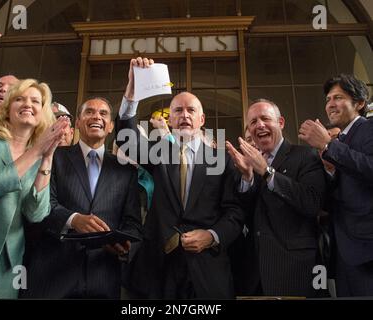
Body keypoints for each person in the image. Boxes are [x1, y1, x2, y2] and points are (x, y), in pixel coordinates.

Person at [116, 57, 245, 299]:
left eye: (191, 110)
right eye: (178, 110)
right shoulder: (158, 152)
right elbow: (127, 140)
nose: (184, 115)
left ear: (202, 119)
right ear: (170, 119)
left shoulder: (223, 159)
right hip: (158, 271)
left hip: (208, 271)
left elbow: (234, 213)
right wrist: (132, 93)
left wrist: (211, 236)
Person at [22, 97, 142, 299]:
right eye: (89, 112)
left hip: (102, 278)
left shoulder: (126, 171)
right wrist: (73, 219)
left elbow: (133, 223)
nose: (96, 116)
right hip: (53, 276)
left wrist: (124, 245)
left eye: (103, 113)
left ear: (111, 126)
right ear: (77, 122)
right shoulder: (52, 156)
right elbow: (40, 206)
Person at [0, 79, 67, 299]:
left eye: (36, 101)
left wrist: (47, 159)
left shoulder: (39, 154)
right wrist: (36, 152)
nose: (28, 104)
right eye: (20, 99)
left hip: (11, 261)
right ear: (8, 108)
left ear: (42, 113)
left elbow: (36, 213)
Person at [226, 98, 326, 297]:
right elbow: (244, 214)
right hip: (253, 274)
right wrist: (247, 177)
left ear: (280, 123)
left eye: (265, 118)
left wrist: (267, 172)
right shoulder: (246, 163)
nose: (259, 125)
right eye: (253, 122)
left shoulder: (306, 156)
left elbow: (312, 203)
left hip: (295, 269)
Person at [299, 74, 373, 297]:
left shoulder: (368, 129)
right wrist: (329, 170)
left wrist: (329, 146)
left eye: (338, 97)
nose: (330, 104)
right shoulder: (340, 142)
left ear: (359, 103)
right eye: (328, 99)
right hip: (344, 253)